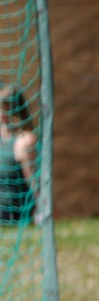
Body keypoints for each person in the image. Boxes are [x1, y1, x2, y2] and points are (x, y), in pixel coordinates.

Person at [0, 86, 35, 227]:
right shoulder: (3, 139)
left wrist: (45, 210)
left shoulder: (24, 141)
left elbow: (34, 182)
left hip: (12, 213)